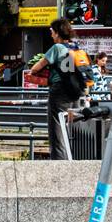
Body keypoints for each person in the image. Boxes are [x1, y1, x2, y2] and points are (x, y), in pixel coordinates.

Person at [29, 18, 90, 160]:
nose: (51, 35)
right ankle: (76, 160)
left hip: (60, 93)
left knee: (57, 132)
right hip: (76, 92)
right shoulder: (75, 48)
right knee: (74, 130)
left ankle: (59, 165)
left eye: (52, 32)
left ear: (57, 33)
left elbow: (35, 68)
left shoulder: (56, 48)